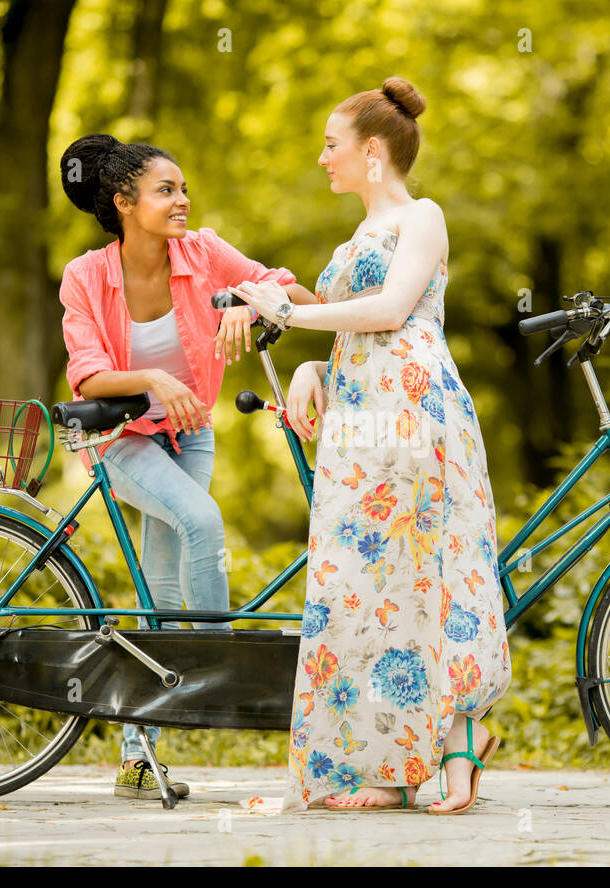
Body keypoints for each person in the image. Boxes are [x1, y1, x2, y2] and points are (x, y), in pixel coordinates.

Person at [232, 78, 511, 814]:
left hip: (416, 413)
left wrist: (290, 313)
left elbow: (392, 310)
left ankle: (455, 743)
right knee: (364, 586)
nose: (322, 157)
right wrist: (309, 365)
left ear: (373, 151)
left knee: (430, 575)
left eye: (332, 143)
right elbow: (357, 333)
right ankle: (384, 760)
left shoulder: (422, 217)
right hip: (360, 424)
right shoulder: (349, 240)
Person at [58, 133, 316, 800]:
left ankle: (136, 760)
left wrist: (242, 299)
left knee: (160, 593)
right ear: (123, 202)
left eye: (182, 188)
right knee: (202, 521)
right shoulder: (87, 276)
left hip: (190, 436)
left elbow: (287, 289)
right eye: (165, 190)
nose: (182, 200)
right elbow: (86, 376)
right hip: (120, 440)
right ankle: (217, 671)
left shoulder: (200, 251)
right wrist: (151, 379)